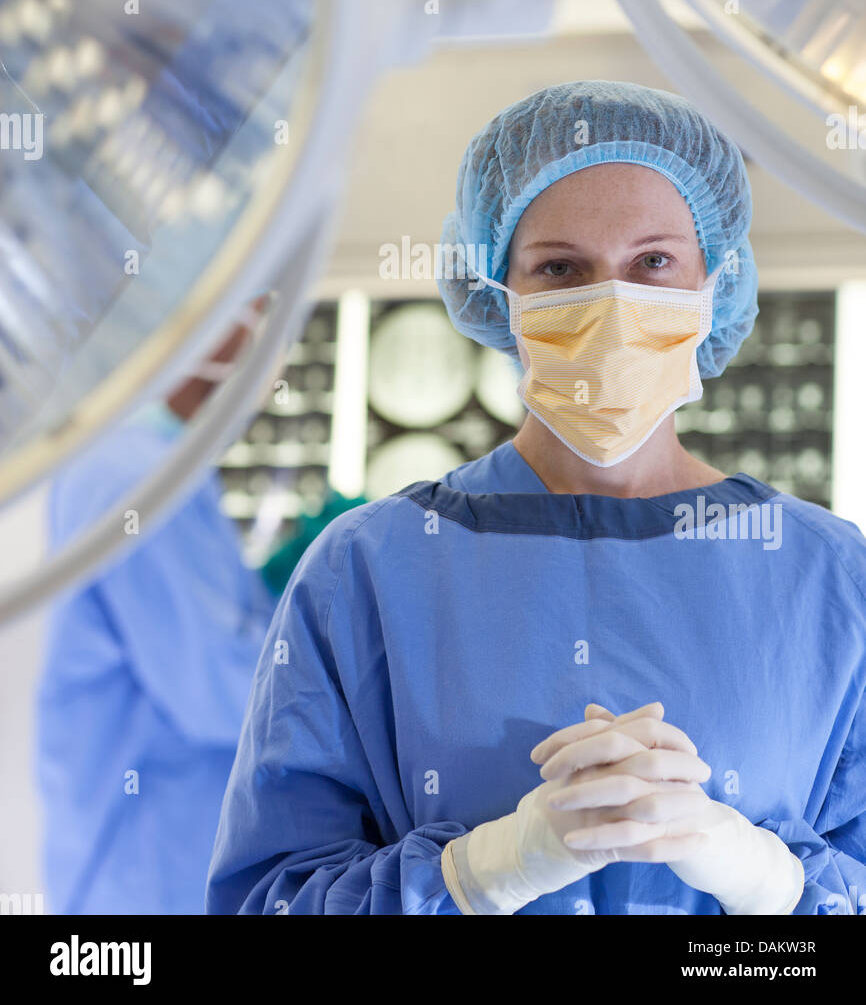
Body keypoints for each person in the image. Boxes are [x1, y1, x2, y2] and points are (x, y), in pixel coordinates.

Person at [205, 81, 866, 915]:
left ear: (715, 279)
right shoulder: (368, 571)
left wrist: (769, 881)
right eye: (561, 269)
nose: (614, 305)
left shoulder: (832, 578)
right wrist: (478, 873)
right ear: (497, 294)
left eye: (652, 262)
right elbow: (268, 898)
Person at [36, 305, 276, 915]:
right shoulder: (132, 477)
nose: (265, 332)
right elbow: (219, 693)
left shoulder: (154, 463)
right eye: (255, 307)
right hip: (145, 880)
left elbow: (218, 635)